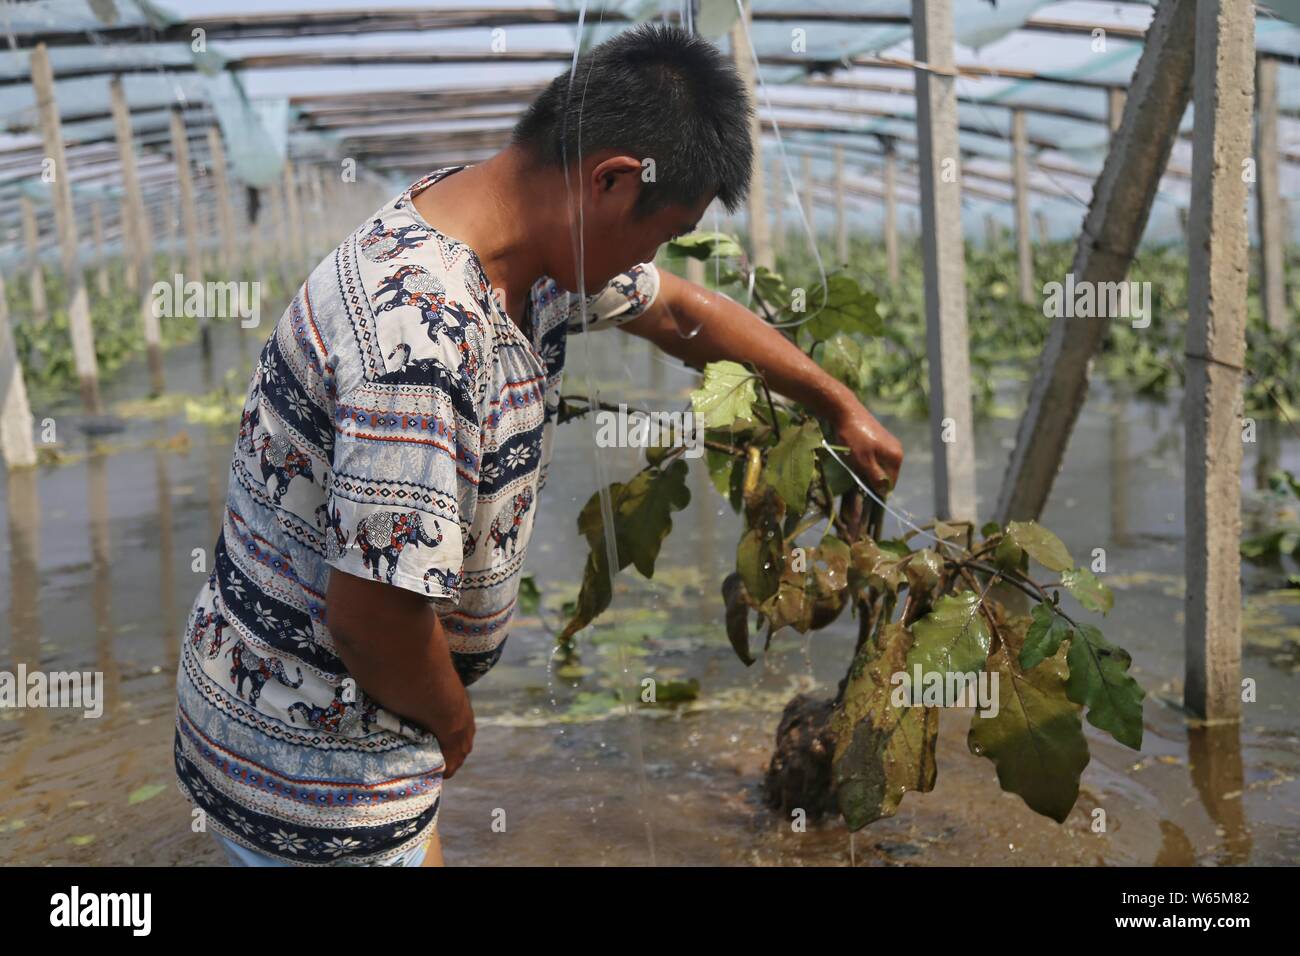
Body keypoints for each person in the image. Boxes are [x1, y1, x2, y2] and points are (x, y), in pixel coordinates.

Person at [173, 22, 902, 867]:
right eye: (660, 231)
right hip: (318, 767)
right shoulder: (422, 335)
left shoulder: (514, 240)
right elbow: (373, 620)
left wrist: (833, 401)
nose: (654, 255)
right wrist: (450, 719)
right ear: (612, 181)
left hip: (324, 718)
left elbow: (675, 311)